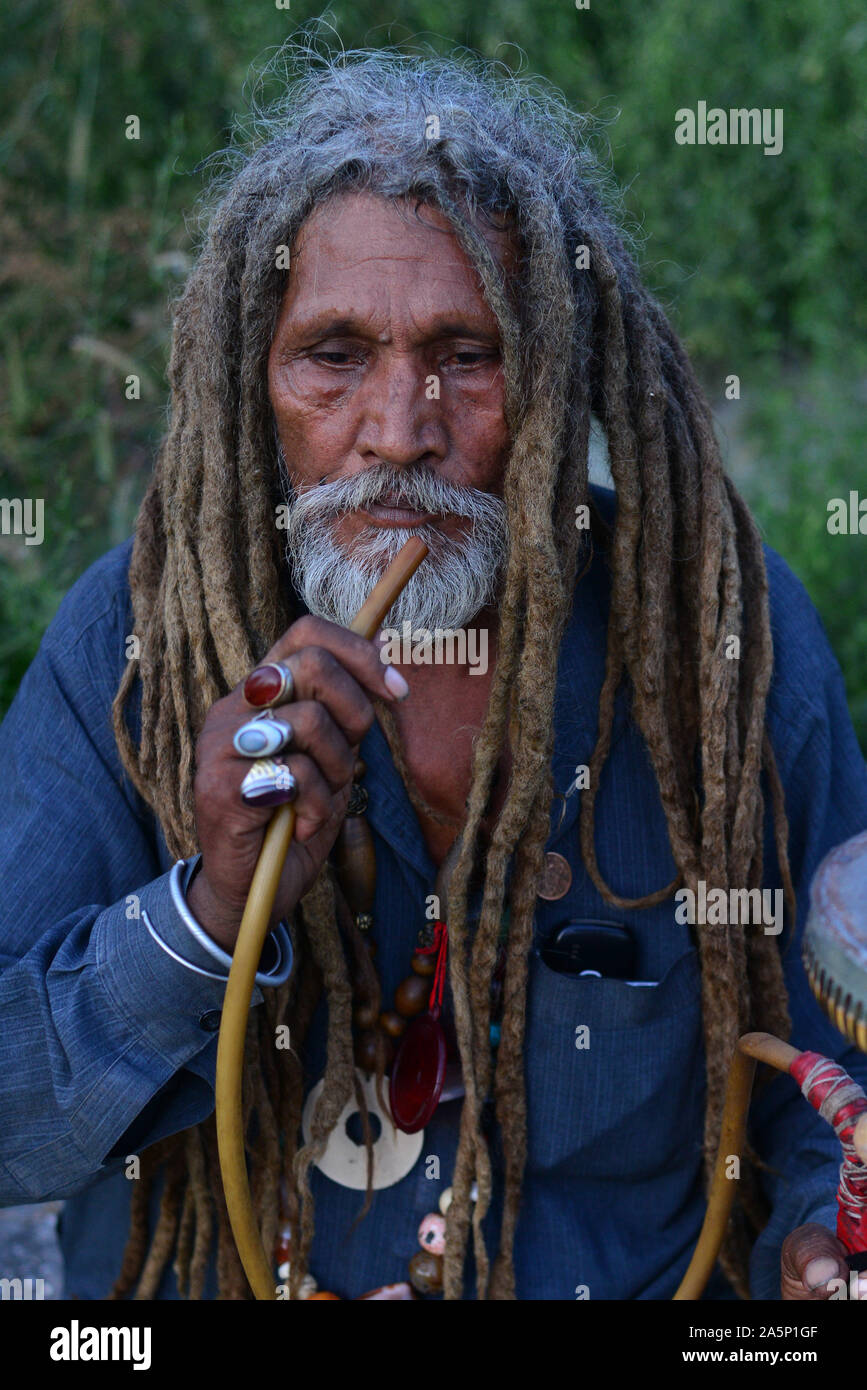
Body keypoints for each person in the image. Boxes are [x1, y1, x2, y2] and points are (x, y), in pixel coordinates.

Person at [1, 47, 865, 1302]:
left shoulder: (721, 644)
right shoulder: (131, 647)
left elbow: (828, 1056)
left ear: (562, 379)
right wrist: (205, 909)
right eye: (335, 354)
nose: (400, 431)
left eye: (470, 356)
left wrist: (814, 1232)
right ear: (257, 381)